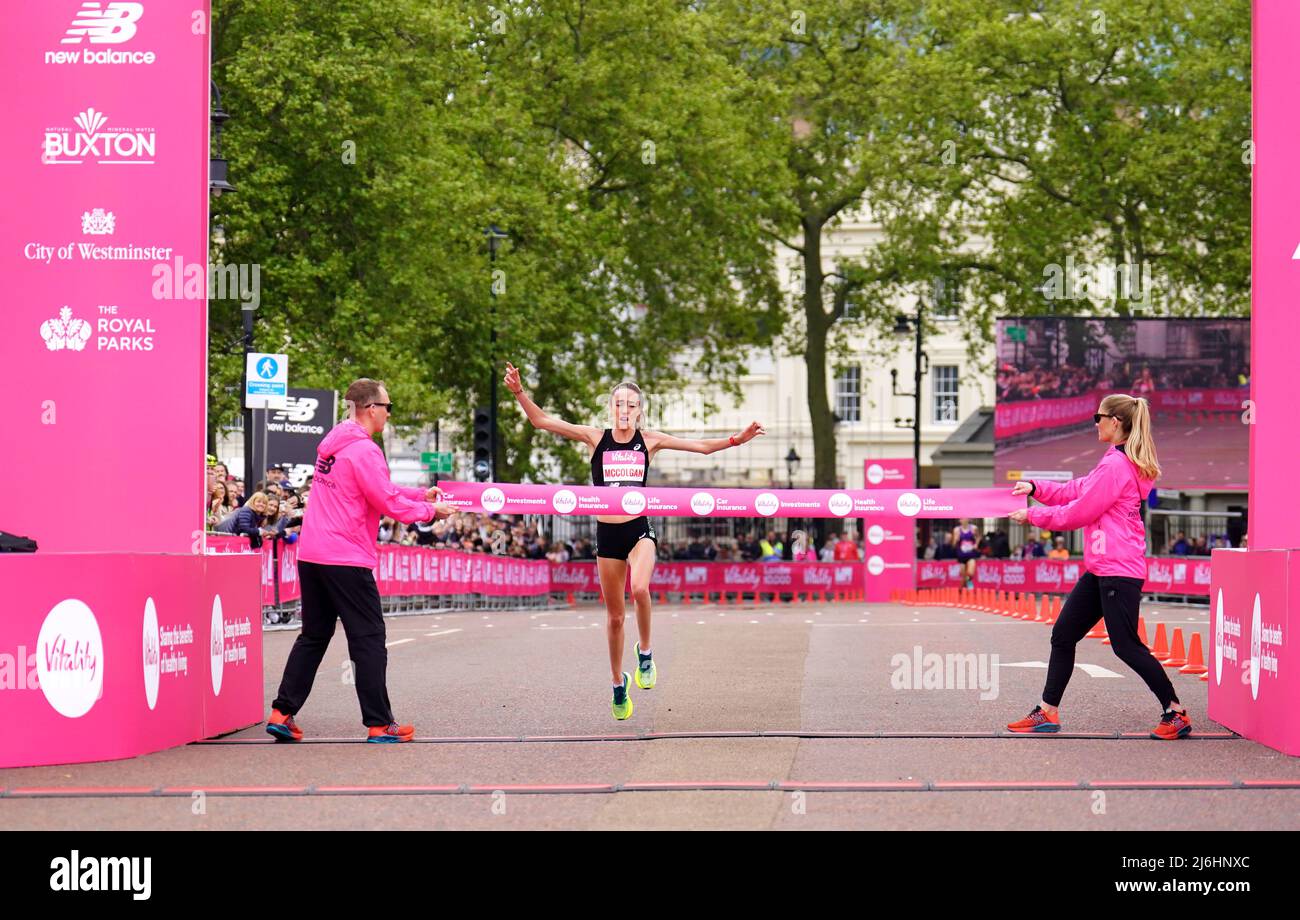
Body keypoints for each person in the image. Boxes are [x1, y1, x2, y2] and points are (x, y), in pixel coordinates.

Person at [505, 360, 764, 720]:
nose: (624, 410)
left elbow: (701, 447)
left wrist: (737, 439)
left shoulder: (650, 440)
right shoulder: (595, 437)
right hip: (607, 534)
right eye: (619, 404)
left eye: (631, 405)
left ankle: (645, 655)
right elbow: (542, 421)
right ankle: (617, 683)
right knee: (613, 618)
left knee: (640, 588)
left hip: (638, 529)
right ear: (610, 409)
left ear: (640, 411)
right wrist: (518, 391)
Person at [266, 378, 454, 744]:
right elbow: (388, 503)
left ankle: (282, 710)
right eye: (388, 407)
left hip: (313, 553)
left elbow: (375, 490)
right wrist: (431, 511)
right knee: (368, 638)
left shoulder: (334, 445)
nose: (389, 414)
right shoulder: (366, 451)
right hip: (346, 556)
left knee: (314, 635)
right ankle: (380, 724)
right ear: (372, 409)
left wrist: (419, 494)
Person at [1005, 394, 1191, 741]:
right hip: (1104, 568)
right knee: (1063, 635)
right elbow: (1079, 489)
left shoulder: (1116, 466)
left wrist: (1032, 514)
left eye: (1098, 416)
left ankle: (1175, 711)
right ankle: (1047, 711)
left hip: (1118, 568)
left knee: (1126, 646)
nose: (1095, 422)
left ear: (1115, 422)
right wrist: (1036, 487)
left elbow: (1079, 512)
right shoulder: (1115, 461)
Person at [952, 518, 981, 586]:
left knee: (970, 573)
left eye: (964, 518)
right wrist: (956, 540)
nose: (962, 520)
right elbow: (953, 545)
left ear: (968, 519)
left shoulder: (973, 528)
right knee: (963, 576)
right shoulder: (956, 530)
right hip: (961, 555)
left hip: (971, 554)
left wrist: (976, 544)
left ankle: (969, 582)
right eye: (961, 519)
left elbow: (978, 537)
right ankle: (963, 589)